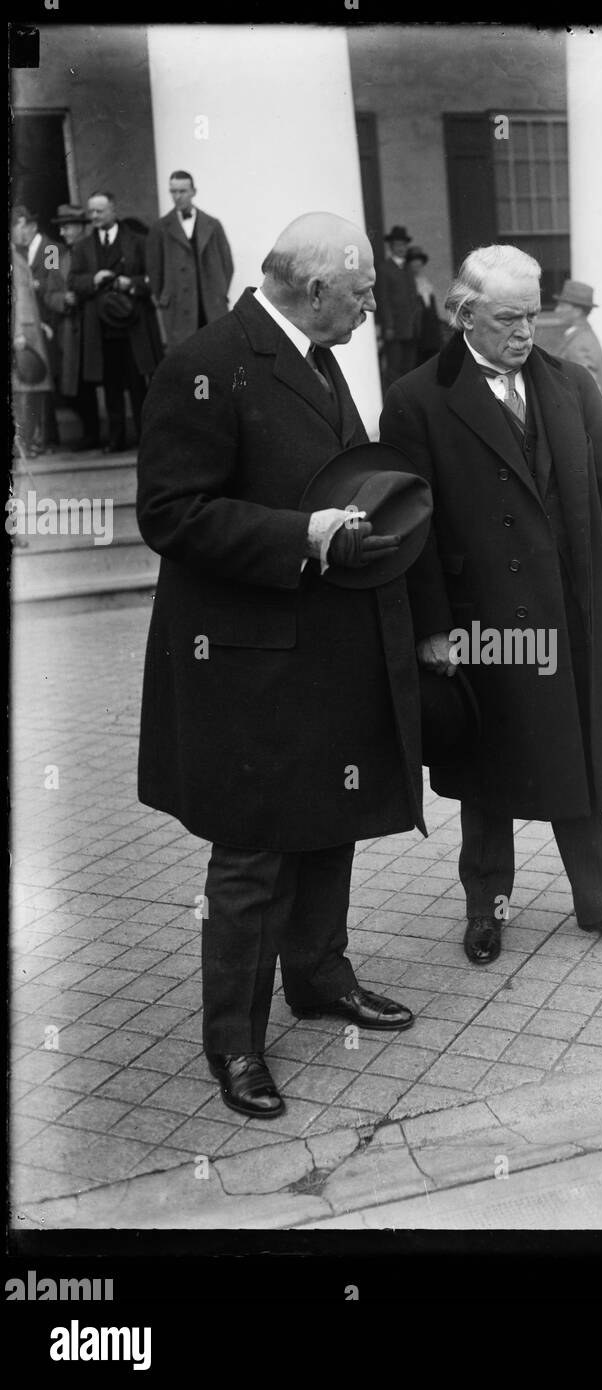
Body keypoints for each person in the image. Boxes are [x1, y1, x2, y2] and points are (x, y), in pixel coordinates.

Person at [136, 212, 424, 1119]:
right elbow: (170, 514)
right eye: (362, 293)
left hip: (323, 641)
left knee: (327, 816)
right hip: (247, 661)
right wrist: (296, 537)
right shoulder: (205, 363)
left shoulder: (315, 355)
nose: (375, 308)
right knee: (254, 851)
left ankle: (319, 976)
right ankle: (235, 1045)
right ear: (311, 290)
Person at [380, 244, 602, 966]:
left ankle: (597, 901)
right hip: (483, 623)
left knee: (579, 759)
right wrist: (434, 629)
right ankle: (486, 906)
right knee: (489, 767)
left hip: (571, 609)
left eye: (531, 316)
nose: (522, 332)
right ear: (463, 314)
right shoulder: (417, 399)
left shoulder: (570, 385)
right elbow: (409, 527)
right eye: (506, 317)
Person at [68, 191, 163, 453]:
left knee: (138, 386)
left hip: (134, 325)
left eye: (100, 211)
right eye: (92, 212)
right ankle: (116, 439)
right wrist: (94, 279)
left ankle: (146, 439)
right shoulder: (82, 247)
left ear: (113, 210)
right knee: (110, 386)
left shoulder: (138, 241)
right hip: (102, 328)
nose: (94, 216)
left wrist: (130, 283)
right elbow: (73, 281)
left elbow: (154, 279)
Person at [146, 169, 234, 350]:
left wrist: (217, 292)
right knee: (184, 359)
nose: (177, 197)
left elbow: (227, 265)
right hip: (178, 308)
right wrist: (165, 297)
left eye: (182, 191)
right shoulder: (160, 228)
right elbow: (154, 270)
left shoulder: (212, 224)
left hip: (210, 306)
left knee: (215, 354)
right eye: (173, 191)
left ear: (193, 192)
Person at [41, 204, 101, 450]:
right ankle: (89, 433)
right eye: (61, 228)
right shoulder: (55, 254)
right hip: (67, 330)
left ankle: (96, 434)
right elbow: (48, 291)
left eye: (68, 227)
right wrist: (62, 300)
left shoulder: (94, 250)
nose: (63, 232)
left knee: (93, 380)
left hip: (92, 326)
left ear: (81, 227)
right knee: (69, 387)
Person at [11, 205, 60, 451]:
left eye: (26, 227)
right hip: (30, 324)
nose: (24, 232)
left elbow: (53, 279)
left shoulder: (49, 247)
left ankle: (47, 436)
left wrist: (47, 319)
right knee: (33, 379)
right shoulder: (21, 253)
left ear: (33, 226)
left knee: (41, 380)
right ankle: (37, 437)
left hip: (47, 319)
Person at [551, 278, 602, 431]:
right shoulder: (576, 335)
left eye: (562, 305)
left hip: (581, 421)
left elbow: (588, 386)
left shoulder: (581, 341)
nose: (557, 310)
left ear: (578, 311)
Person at [374, 224, 421, 390]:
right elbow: (384, 299)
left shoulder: (407, 269)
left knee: (408, 367)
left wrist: (415, 322)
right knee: (393, 368)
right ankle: (392, 402)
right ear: (391, 247)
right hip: (394, 328)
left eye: (403, 245)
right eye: (398, 245)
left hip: (409, 327)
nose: (401, 248)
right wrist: (388, 326)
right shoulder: (384, 268)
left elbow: (413, 298)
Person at [406, 246, 444, 363]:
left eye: (419, 261)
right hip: (418, 328)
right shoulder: (407, 282)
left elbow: (432, 307)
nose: (417, 264)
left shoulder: (425, 281)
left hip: (430, 327)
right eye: (414, 261)